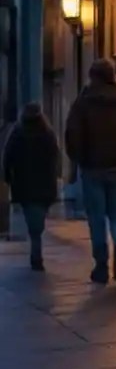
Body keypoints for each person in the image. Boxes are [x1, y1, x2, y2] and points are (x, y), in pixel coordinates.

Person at [65, 58, 116, 284]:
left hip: (92, 169)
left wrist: (77, 160)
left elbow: (72, 134)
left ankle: (101, 265)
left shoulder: (83, 103)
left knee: (96, 217)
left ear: (92, 77)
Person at [2, 104, 62, 271]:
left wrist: (7, 178)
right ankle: (36, 250)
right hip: (45, 185)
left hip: (24, 184)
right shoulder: (48, 134)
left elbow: (7, 157)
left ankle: (36, 251)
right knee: (38, 219)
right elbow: (56, 158)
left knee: (32, 220)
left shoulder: (17, 133)